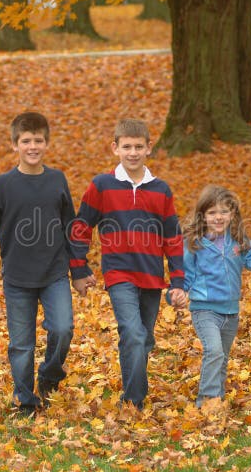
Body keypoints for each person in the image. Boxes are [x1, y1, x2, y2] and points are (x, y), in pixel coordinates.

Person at [0, 112, 84, 416]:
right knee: (21, 345)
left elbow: (71, 226)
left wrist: (79, 270)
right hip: (17, 277)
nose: (32, 146)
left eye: (38, 140)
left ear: (47, 144)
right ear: (15, 145)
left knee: (63, 329)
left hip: (54, 273)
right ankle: (26, 400)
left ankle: (50, 375)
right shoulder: (4, 184)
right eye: (25, 141)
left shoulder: (57, 179)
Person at [69, 118, 187, 410]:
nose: (132, 152)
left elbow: (173, 237)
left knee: (143, 339)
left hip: (151, 274)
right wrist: (79, 267)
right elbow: (82, 226)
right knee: (132, 333)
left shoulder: (161, 190)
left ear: (149, 148)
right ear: (115, 148)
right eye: (126, 147)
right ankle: (133, 402)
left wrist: (179, 280)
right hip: (119, 272)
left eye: (138, 147)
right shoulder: (102, 185)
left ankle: (133, 391)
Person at [183, 185, 251, 407]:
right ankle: (207, 402)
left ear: (233, 214)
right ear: (202, 215)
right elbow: (185, 275)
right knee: (214, 351)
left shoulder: (238, 239)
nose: (218, 217)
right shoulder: (194, 243)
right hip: (204, 309)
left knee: (222, 357)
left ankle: (217, 398)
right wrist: (177, 291)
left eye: (224, 212)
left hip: (231, 311)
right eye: (212, 212)